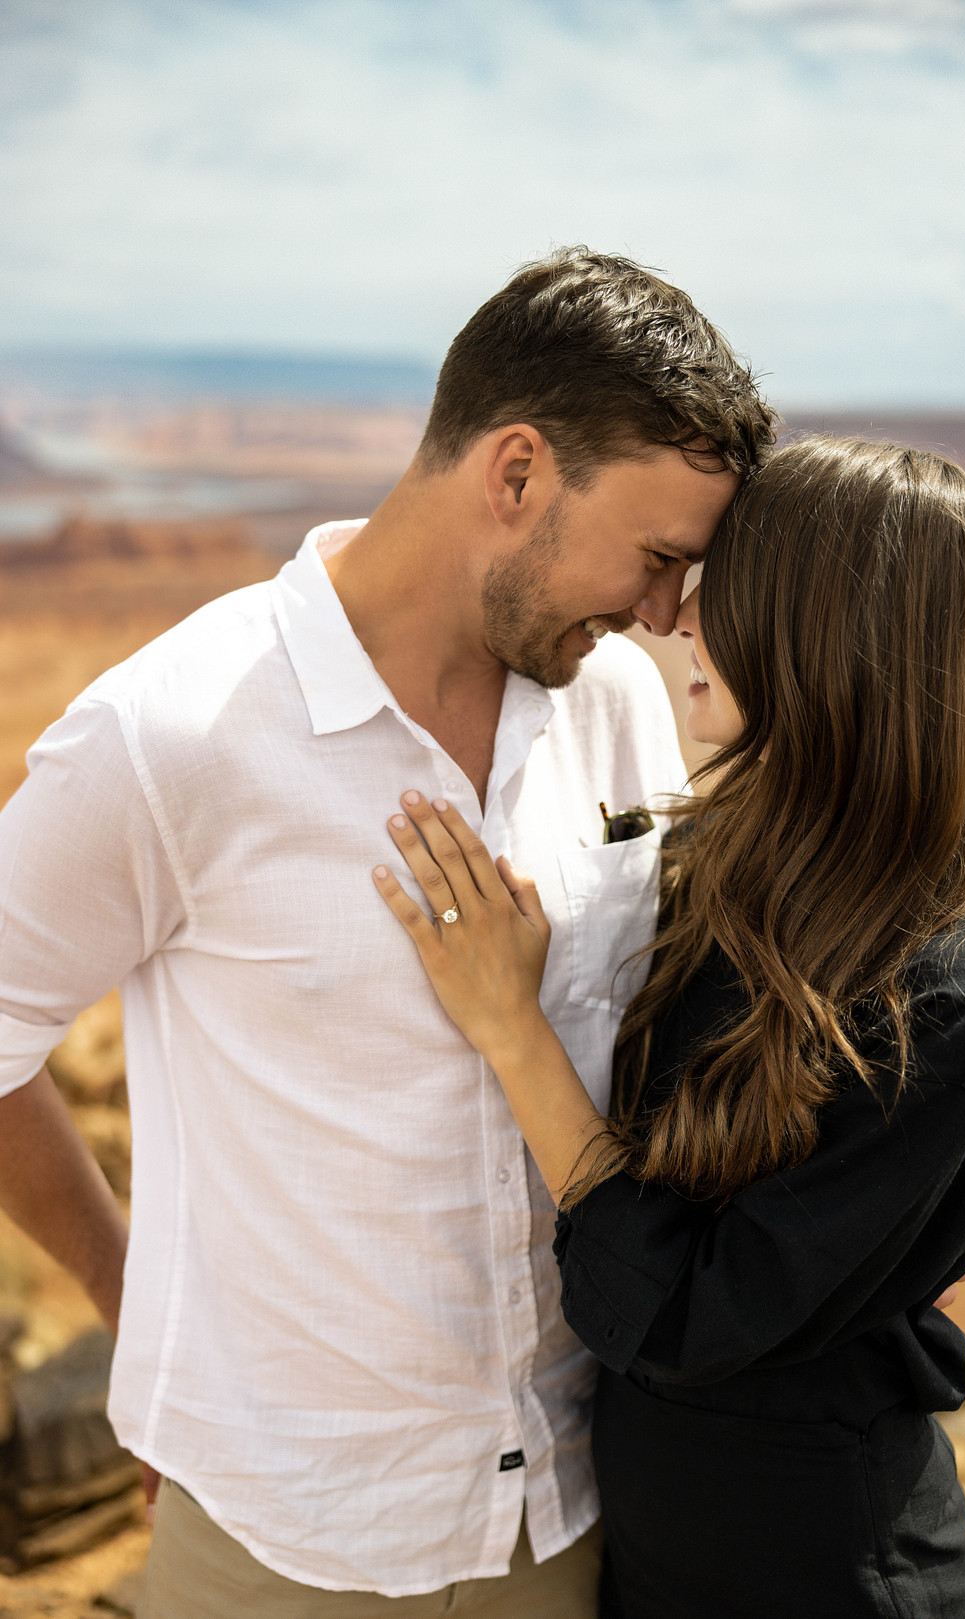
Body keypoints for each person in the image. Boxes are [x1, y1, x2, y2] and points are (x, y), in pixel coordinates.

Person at [0, 250, 775, 1616]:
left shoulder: (621, 711)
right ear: (518, 472)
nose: (664, 613)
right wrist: (130, 1291)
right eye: (657, 559)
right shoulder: (170, 732)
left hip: (571, 1517)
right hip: (281, 1541)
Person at [375, 435, 965, 1619]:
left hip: (820, 1574)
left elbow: (686, 1316)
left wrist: (513, 1029)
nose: (680, 616)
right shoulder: (730, 859)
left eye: (729, 585)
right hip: (654, 1556)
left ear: (829, 635)